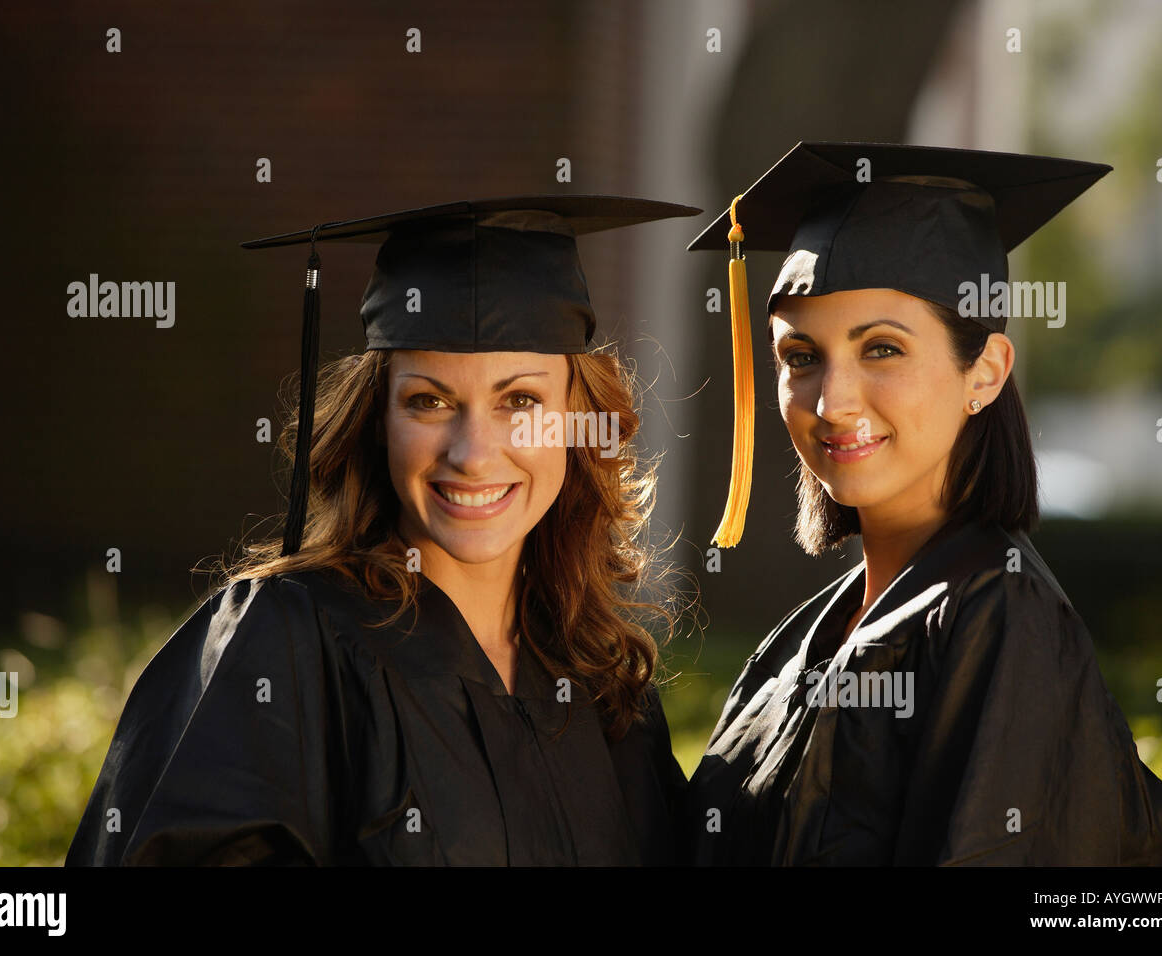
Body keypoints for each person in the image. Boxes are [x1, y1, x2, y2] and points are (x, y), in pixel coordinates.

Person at [65, 195, 698, 866]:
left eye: (520, 401)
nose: (473, 453)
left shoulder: (606, 692)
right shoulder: (287, 644)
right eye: (429, 401)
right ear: (376, 420)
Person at [681, 142, 1162, 865]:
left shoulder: (1000, 619)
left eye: (882, 349)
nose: (832, 403)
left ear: (984, 372)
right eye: (801, 357)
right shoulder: (804, 637)